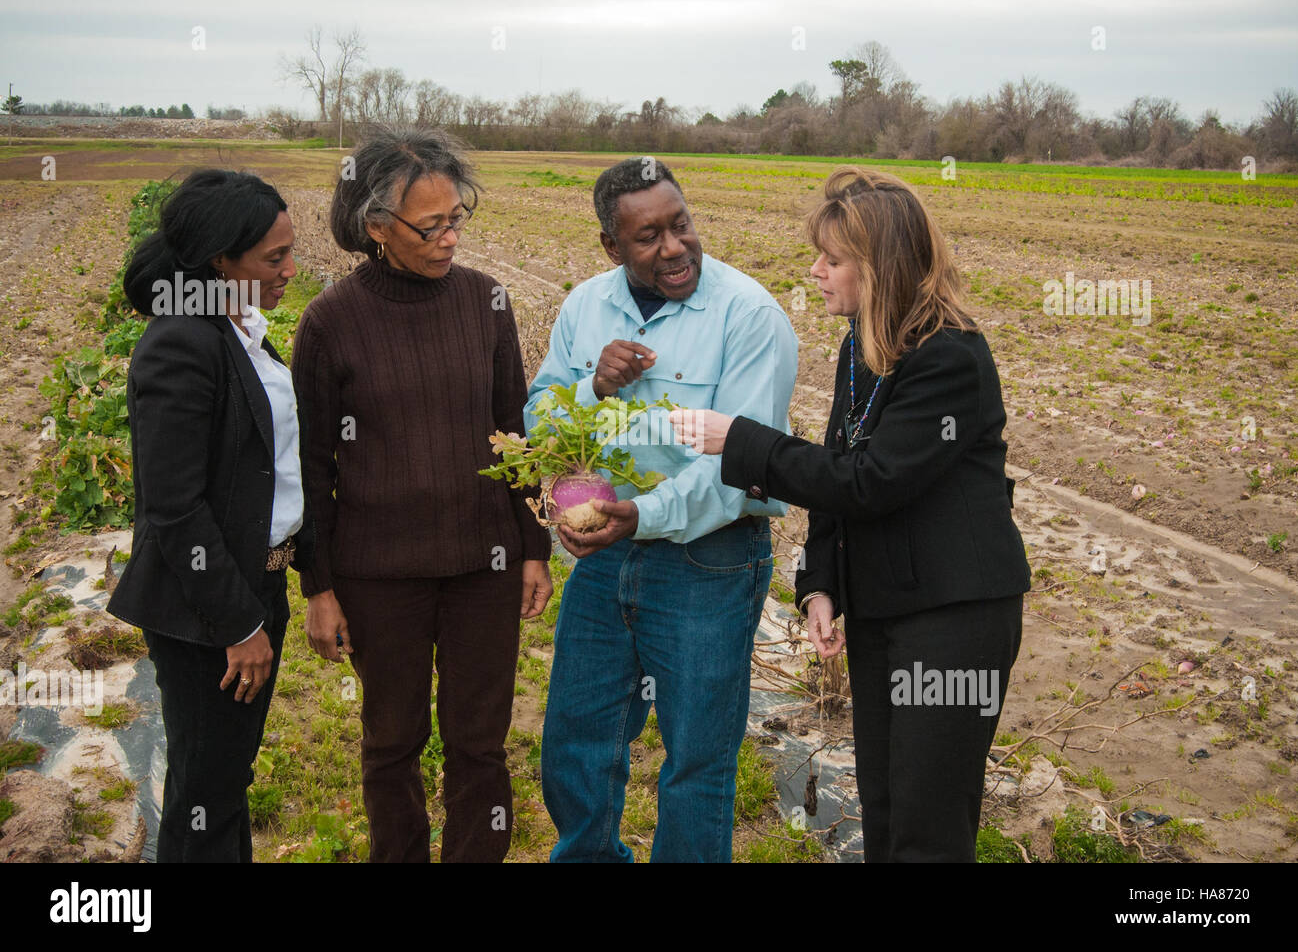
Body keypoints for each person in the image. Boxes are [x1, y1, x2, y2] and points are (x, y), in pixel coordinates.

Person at [669, 167, 1032, 862]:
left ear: (880, 266)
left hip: (955, 616)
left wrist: (737, 437)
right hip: (885, 611)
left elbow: (870, 480)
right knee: (887, 808)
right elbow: (841, 467)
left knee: (928, 824)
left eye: (832, 259)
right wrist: (820, 580)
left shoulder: (949, 357)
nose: (815, 270)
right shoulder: (862, 348)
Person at [291, 127, 553, 863]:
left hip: (484, 566)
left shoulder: (486, 302)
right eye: (429, 225)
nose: (449, 238)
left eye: (457, 218)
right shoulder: (331, 321)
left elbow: (514, 431)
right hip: (380, 575)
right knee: (392, 742)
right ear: (377, 228)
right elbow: (312, 464)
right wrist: (319, 586)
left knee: (480, 743)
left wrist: (533, 545)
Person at [526, 157, 798, 862]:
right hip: (604, 551)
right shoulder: (585, 307)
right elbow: (540, 420)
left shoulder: (750, 316)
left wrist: (642, 515)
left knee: (696, 764)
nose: (674, 247)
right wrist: (592, 388)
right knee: (576, 742)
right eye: (647, 237)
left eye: (681, 224)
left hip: (709, 560)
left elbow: (742, 465)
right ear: (611, 248)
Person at [106, 168, 311, 862]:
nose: (291, 269)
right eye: (273, 257)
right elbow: (173, 505)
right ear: (221, 261)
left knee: (221, 783)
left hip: (257, 590)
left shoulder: (237, 329)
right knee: (204, 794)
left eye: (290, 250)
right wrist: (240, 622)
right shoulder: (181, 342)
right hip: (208, 615)